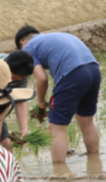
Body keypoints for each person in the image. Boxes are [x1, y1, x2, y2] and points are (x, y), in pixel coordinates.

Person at [15, 26, 101, 164]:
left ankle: (59, 174)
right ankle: (95, 162)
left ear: (22, 43)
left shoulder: (28, 48)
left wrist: (41, 103)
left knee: (56, 126)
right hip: (94, 70)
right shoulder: (52, 37)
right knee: (87, 122)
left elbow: (42, 78)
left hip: (72, 73)